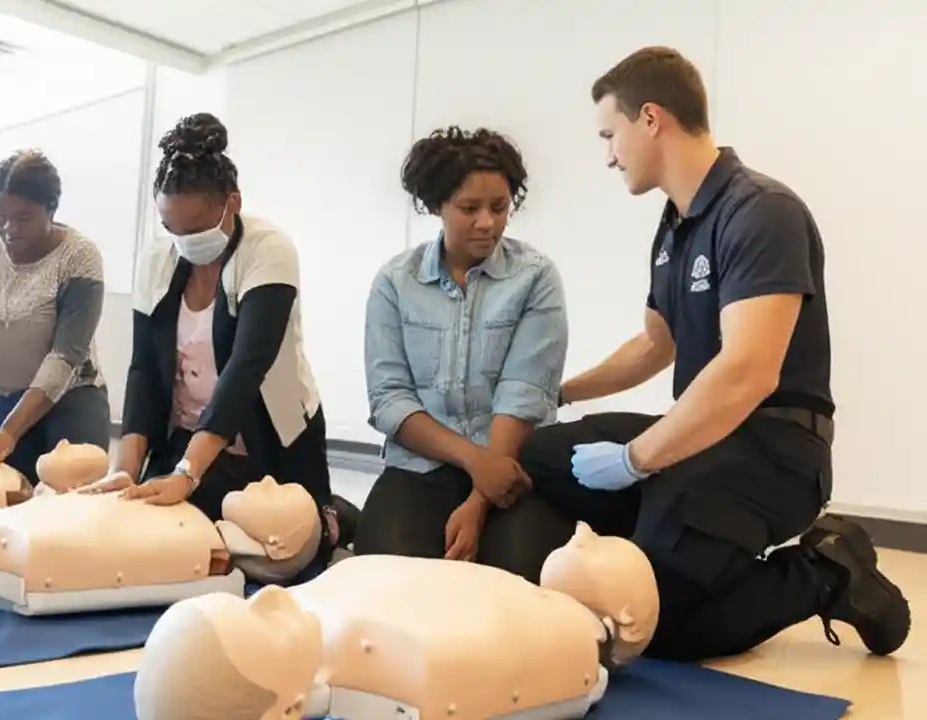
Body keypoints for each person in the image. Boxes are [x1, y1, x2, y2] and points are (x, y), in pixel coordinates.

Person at [514, 46, 910, 661]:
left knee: (646, 622)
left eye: (609, 135)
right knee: (540, 455)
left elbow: (747, 374)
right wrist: (561, 393)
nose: (608, 156)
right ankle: (663, 544)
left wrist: (636, 459)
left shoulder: (760, 212)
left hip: (775, 451)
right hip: (701, 440)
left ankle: (827, 570)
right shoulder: (675, 224)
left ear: (650, 118)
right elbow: (655, 343)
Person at [85, 113, 352, 560]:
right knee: (171, 538)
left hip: (268, 433)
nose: (184, 243)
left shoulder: (269, 250)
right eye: (172, 230)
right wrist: (125, 470)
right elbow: (145, 371)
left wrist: (188, 473)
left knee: (281, 548)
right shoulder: (157, 260)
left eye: (196, 231)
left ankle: (334, 517)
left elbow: (247, 367)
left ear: (233, 202)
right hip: (189, 433)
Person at [352, 126, 576, 583]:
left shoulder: (535, 278)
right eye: (469, 209)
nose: (487, 223)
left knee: (519, 580)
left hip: (514, 468)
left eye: (499, 207)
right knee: (386, 579)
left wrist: (478, 501)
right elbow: (391, 399)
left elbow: (524, 393)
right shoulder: (396, 282)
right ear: (437, 206)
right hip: (420, 468)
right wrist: (475, 462)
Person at [0, 149, 110, 486]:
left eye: (23, 218)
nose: (9, 228)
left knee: (69, 493)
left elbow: (66, 356)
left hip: (70, 399)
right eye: (0, 215)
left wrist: (10, 432)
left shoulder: (79, 256)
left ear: (51, 209)